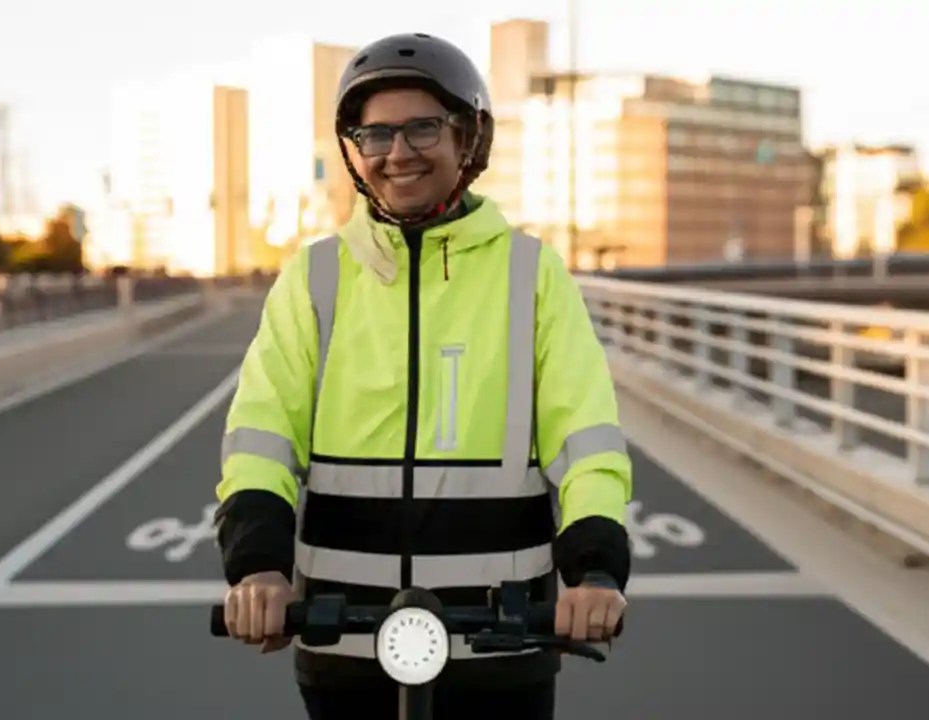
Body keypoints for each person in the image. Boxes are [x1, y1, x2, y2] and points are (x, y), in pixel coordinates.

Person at [214, 31, 632, 720]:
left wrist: (593, 570)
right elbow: (262, 437)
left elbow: (585, 439)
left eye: (422, 128)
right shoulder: (315, 277)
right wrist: (258, 568)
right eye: (373, 135)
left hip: (504, 638)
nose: (397, 153)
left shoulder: (530, 273)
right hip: (344, 638)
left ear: (468, 138)